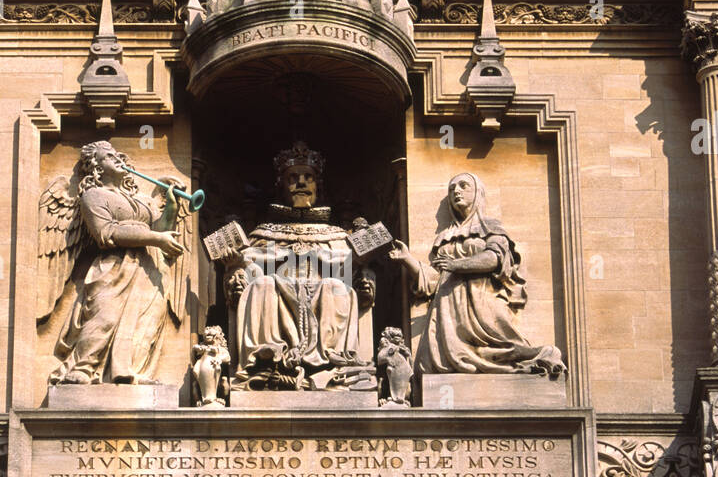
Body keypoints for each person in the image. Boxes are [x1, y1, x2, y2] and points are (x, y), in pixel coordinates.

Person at [218, 143, 374, 390]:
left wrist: (361, 266)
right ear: (281, 185)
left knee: (336, 288)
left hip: (323, 293)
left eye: (308, 177)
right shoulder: (263, 233)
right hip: (278, 293)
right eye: (293, 177)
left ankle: (332, 362)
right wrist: (236, 264)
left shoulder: (335, 235)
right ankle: (267, 356)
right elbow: (251, 269)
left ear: (318, 185)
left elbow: (348, 271)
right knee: (262, 285)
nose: (301, 183)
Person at [389, 172, 566, 376]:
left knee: (503, 348)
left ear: (478, 193)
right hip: (448, 308)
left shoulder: (490, 226)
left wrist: (456, 265)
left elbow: (495, 259)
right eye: (452, 188)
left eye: (463, 186)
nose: (456, 191)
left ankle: (541, 357)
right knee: (428, 364)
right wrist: (407, 259)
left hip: (482, 302)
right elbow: (435, 279)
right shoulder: (444, 236)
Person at [50, 141, 186, 385]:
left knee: (146, 322)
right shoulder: (93, 196)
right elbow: (106, 233)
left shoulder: (141, 200)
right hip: (114, 268)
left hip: (149, 268)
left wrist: (170, 208)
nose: (117, 158)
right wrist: (156, 238)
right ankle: (84, 367)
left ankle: (132, 371)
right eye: (109, 156)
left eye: (117, 155)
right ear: (97, 167)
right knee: (105, 316)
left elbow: (162, 230)